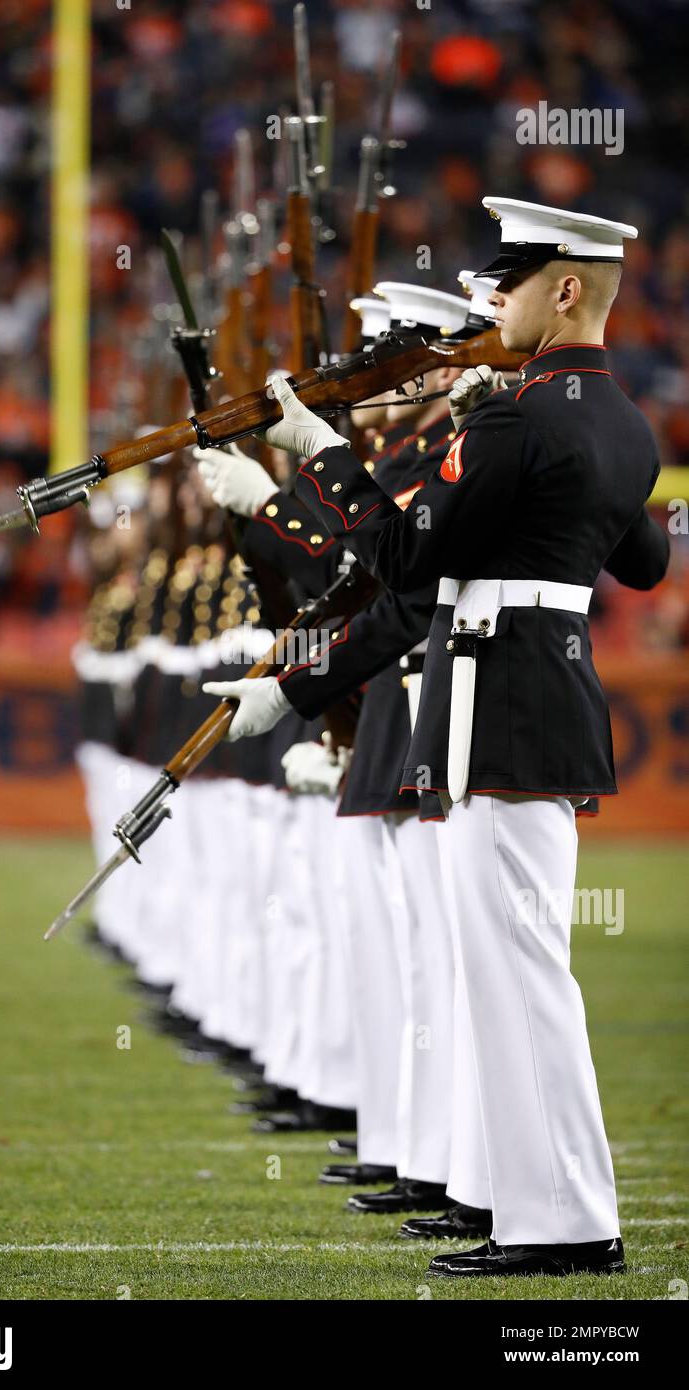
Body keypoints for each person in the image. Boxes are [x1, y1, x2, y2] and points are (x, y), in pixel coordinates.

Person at [202, 198, 670, 1276]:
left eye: (509, 283)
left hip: (499, 700)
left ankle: (564, 1226)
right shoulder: (616, 421)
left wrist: (322, 457)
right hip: (526, 692)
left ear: (564, 291)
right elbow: (641, 562)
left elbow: (405, 561)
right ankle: (529, 1204)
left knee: (514, 975)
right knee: (505, 972)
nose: (492, 302)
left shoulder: (519, 417)